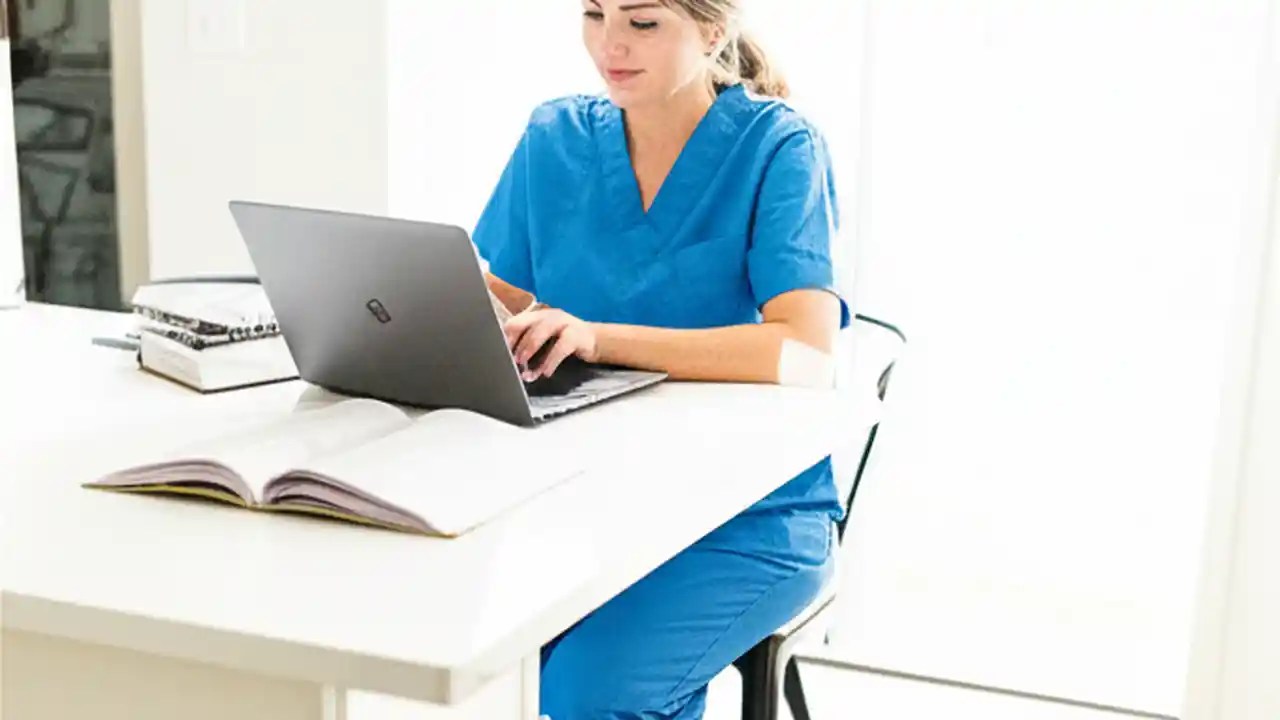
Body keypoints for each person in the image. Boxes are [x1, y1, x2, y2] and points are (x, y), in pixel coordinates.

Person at [472, 1, 849, 717]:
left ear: (712, 29)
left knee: (589, 694)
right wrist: (441, 290)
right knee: (466, 662)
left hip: (746, 512)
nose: (610, 44)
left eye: (642, 22)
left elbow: (805, 349)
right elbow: (512, 301)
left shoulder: (778, 149)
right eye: (593, 13)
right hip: (581, 495)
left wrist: (597, 336)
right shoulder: (553, 138)